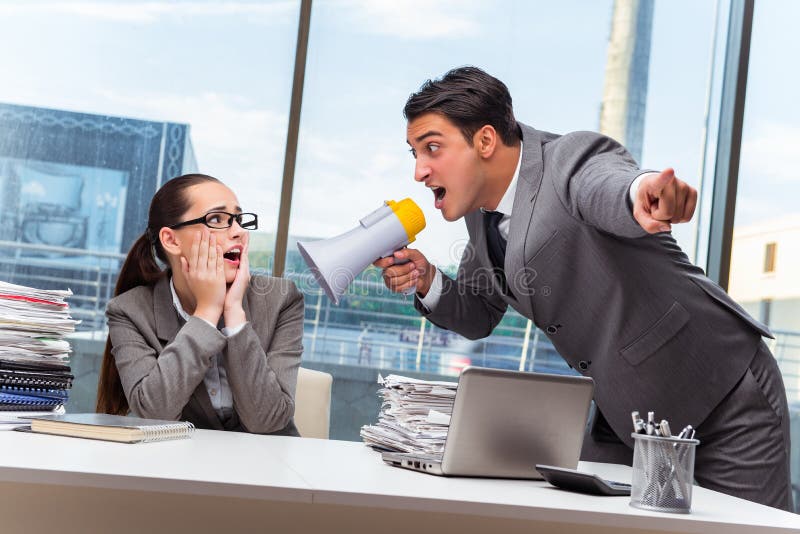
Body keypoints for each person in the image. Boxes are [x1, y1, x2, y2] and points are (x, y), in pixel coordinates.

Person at [375, 66, 792, 511]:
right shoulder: (482, 216)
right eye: (414, 153)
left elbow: (608, 186)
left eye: (432, 148)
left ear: (485, 140)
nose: (420, 171)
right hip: (631, 418)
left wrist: (643, 195)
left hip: (721, 393)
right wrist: (428, 280)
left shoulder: (568, 160)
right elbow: (478, 311)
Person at [96, 173, 303, 436]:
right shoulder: (128, 311)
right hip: (181, 468)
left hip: (267, 468)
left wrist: (234, 314)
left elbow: (268, 421)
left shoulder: (282, 299)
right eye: (217, 219)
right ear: (171, 240)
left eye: (238, 219)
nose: (239, 232)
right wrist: (207, 312)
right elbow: (156, 415)